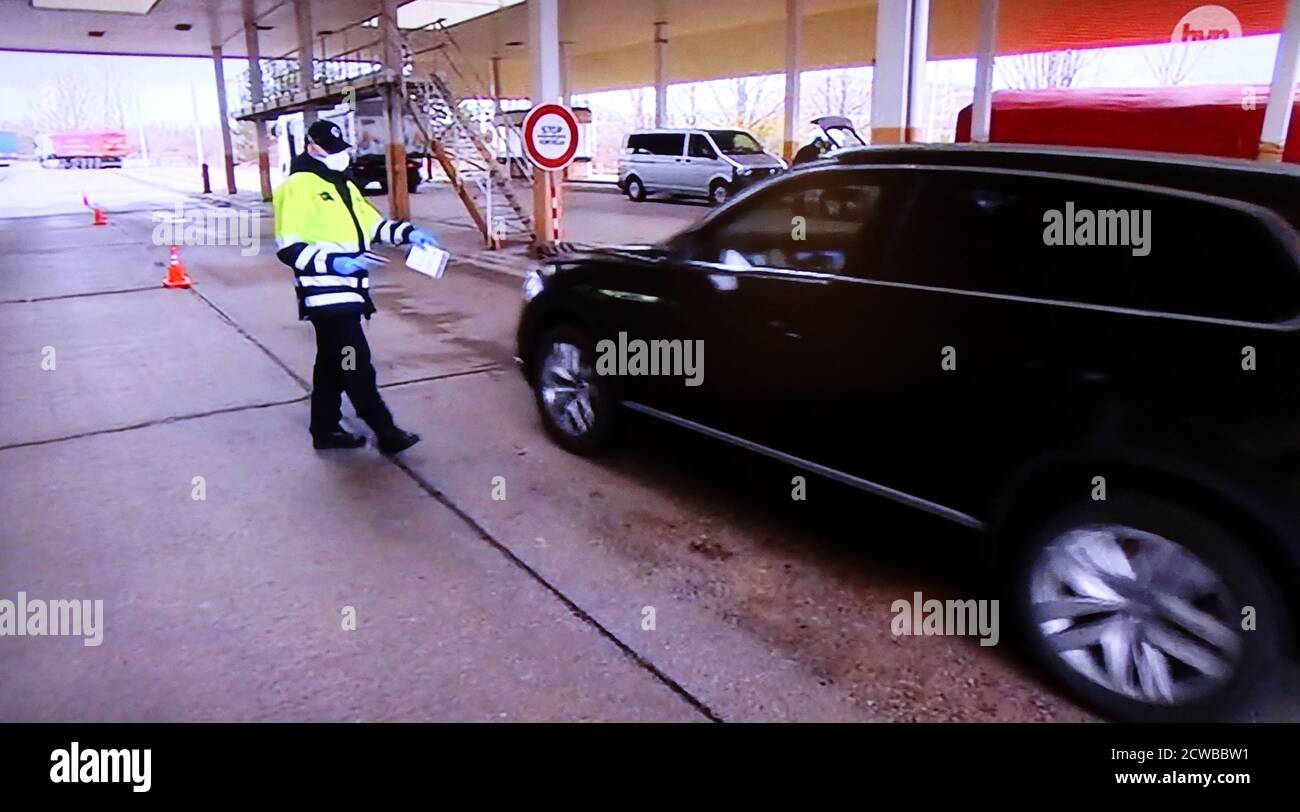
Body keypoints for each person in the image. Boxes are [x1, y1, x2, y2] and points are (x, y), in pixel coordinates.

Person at [272, 119, 436, 454]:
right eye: (329, 149)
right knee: (354, 361)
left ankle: (325, 428)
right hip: (324, 292)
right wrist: (334, 263)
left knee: (332, 363)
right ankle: (385, 430)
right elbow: (289, 247)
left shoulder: (342, 184)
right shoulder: (297, 186)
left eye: (339, 149)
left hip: (351, 290)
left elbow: (373, 225)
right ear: (311, 146)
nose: (337, 155)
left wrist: (408, 235)